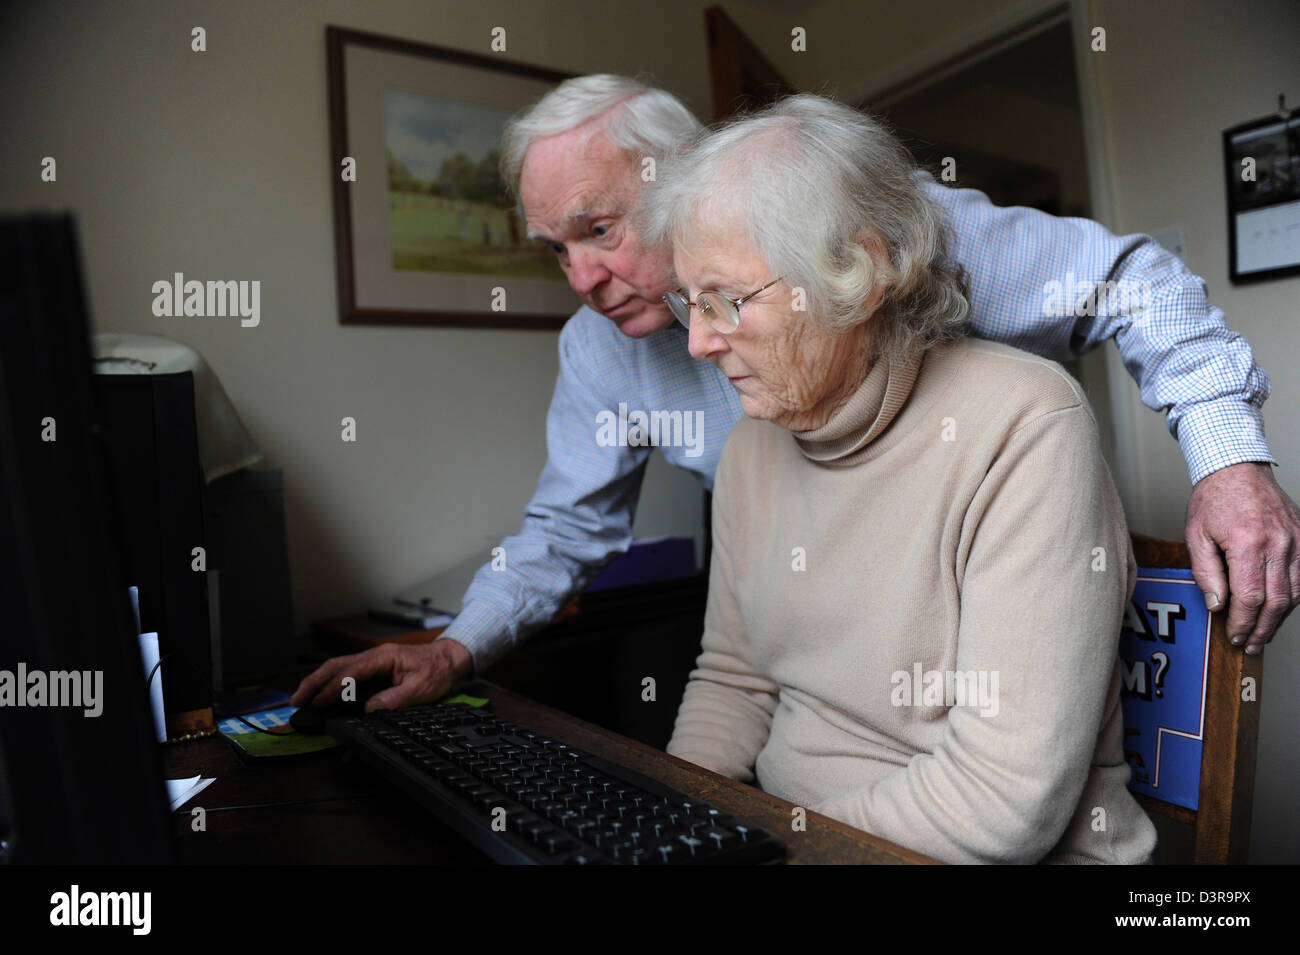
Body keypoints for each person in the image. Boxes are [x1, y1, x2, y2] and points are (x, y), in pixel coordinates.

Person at [292, 75, 1298, 715]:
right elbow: (563, 529)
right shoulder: (600, 349)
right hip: (816, 682)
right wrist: (457, 647)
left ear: (686, 181)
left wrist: (1228, 463)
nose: (581, 279)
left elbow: (1123, 280)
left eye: (600, 230)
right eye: (555, 249)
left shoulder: (879, 227)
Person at [651, 93, 1155, 864]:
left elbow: (999, 804)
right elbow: (735, 678)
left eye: (725, 300)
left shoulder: (1023, 423)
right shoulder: (753, 447)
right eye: (688, 301)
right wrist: (676, 829)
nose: (697, 342)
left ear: (859, 268)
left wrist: (765, 849)